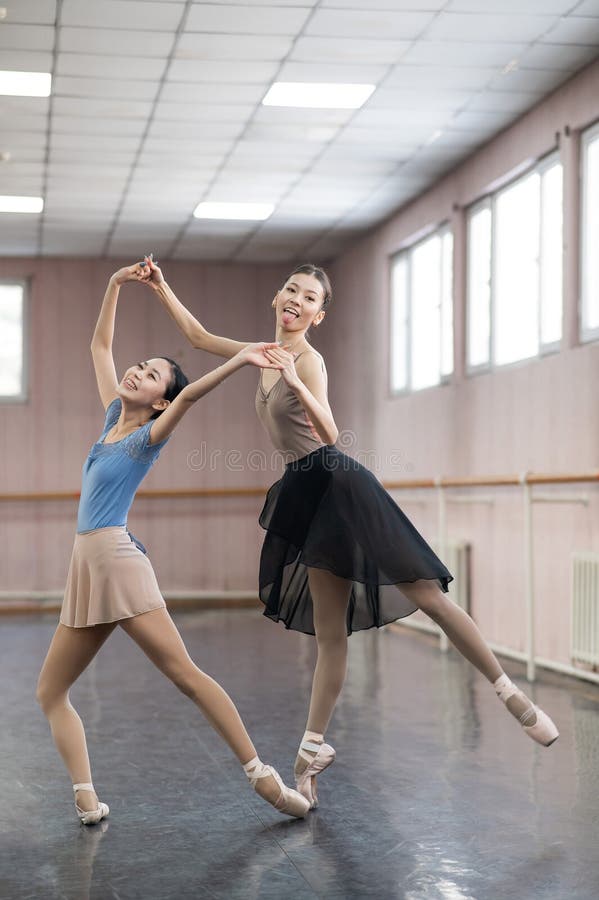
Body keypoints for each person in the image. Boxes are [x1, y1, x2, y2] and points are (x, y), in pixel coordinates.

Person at [141, 256, 559, 811]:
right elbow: (197, 336)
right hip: (305, 492)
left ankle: (512, 697)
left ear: (318, 315)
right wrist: (161, 285)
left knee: (427, 595)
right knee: (330, 634)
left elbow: (332, 432)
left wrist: (296, 380)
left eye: (309, 297)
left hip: (338, 484)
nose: (297, 299)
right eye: (291, 289)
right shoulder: (260, 353)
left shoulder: (309, 361)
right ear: (276, 298)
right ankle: (310, 753)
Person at [36, 262, 310, 825]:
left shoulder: (146, 436)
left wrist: (239, 360)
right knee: (50, 692)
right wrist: (114, 285)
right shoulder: (113, 417)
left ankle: (262, 776)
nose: (136, 372)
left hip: (117, 564)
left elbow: (190, 400)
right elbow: (100, 346)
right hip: (87, 569)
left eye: (152, 374)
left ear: (160, 401)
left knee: (186, 675)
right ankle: (86, 797)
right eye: (139, 366)